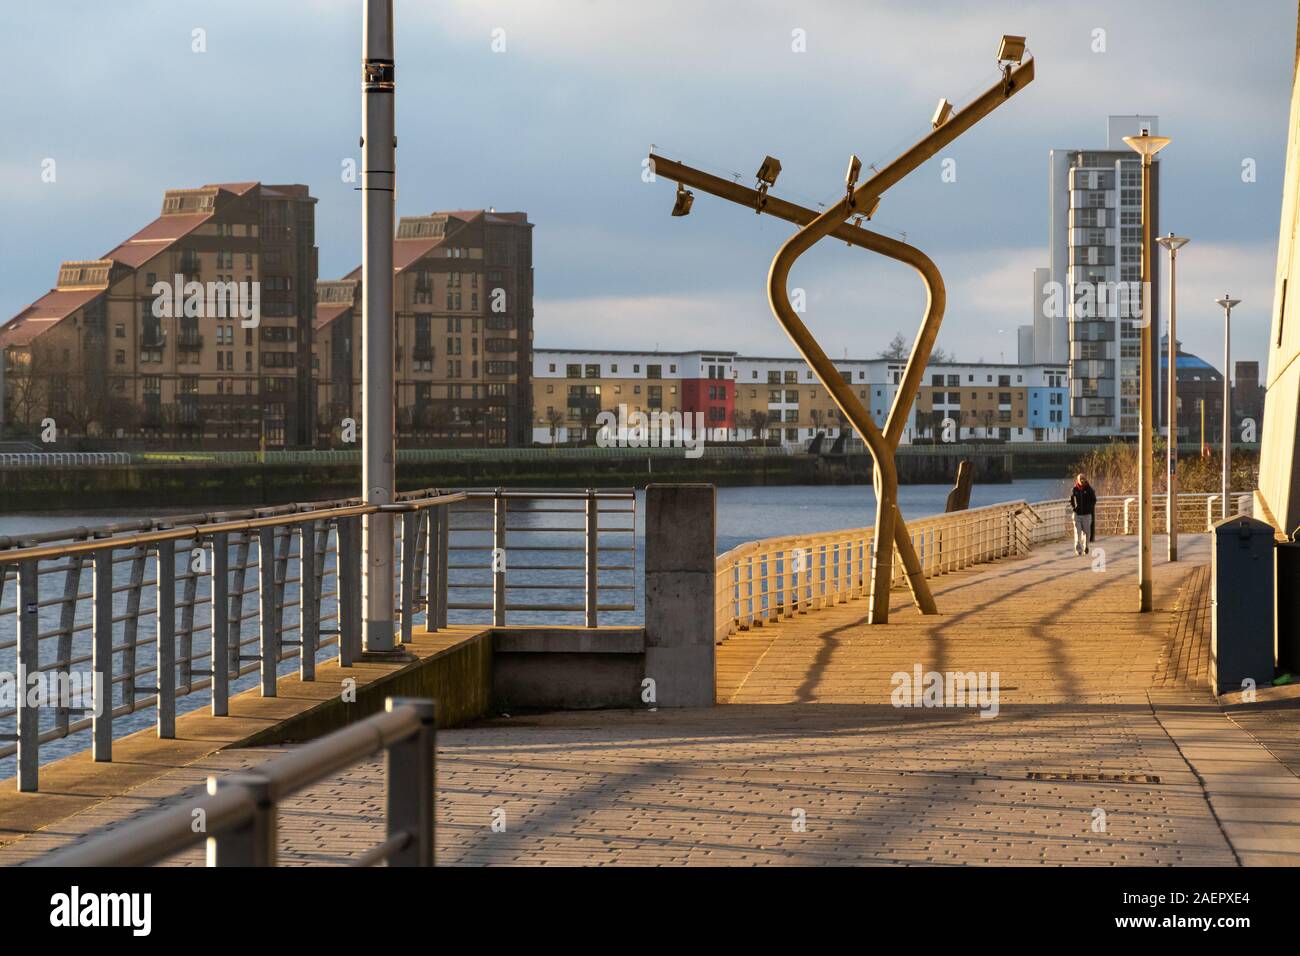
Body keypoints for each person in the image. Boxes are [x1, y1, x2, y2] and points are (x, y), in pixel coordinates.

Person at [1070, 473, 1097, 556]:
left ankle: (1086, 546)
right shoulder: (1074, 489)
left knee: (1087, 532)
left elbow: (1094, 500)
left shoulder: (1089, 489)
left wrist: (1089, 508)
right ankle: (1078, 550)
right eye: (1080, 478)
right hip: (1077, 514)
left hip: (1087, 515)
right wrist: (1074, 507)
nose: (1082, 480)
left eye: (1083, 478)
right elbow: (1071, 500)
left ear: (1085, 479)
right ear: (1077, 480)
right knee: (1077, 532)